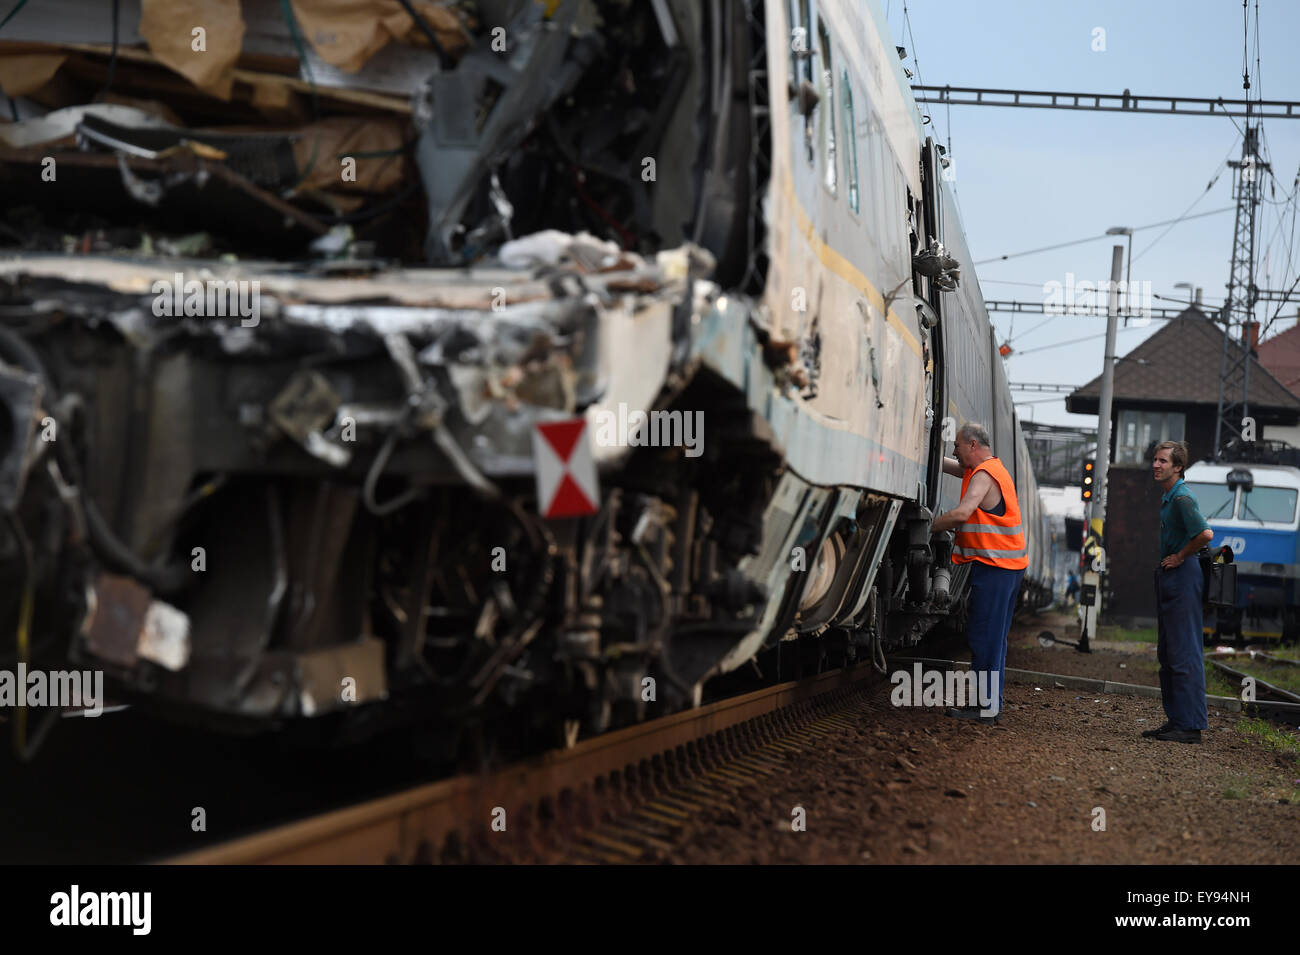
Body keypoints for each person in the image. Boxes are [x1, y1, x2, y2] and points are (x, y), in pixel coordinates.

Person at [931, 423, 1028, 724]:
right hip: (1006, 567)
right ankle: (990, 705)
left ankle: (985, 708)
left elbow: (962, 513)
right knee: (994, 639)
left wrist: (931, 526)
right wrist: (925, 451)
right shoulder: (989, 469)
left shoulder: (983, 476)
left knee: (984, 637)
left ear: (972, 445)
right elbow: (948, 465)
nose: (954, 451)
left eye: (957, 446)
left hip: (997, 568)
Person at [1143, 440, 1213, 744]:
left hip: (1183, 576)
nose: (1156, 465)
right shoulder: (1170, 497)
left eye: (1163, 461)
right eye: (1155, 460)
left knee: (1183, 652)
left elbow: (1205, 534)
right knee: (1169, 652)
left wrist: (1181, 556)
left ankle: (1190, 725)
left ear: (1178, 467)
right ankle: (1177, 720)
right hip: (1171, 577)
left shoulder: (1182, 498)